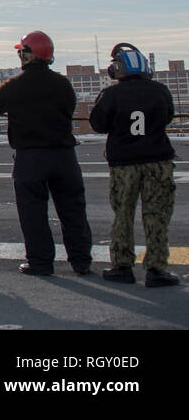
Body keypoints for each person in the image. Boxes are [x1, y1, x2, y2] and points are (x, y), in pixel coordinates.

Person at [0, 30, 92, 277]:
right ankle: (81, 262)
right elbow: (69, 107)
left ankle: (41, 263)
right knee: (73, 210)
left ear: (27, 55)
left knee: (33, 213)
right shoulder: (63, 84)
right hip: (64, 157)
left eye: (21, 51)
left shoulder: (15, 86)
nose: (19, 56)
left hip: (31, 158)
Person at [89, 43, 179, 288]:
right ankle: (157, 269)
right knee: (157, 216)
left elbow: (98, 124)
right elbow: (168, 116)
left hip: (124, 164)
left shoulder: (111, 94)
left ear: (118, 68)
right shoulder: (160, 91)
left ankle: (122, 266)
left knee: (123, 215)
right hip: (158, 161)